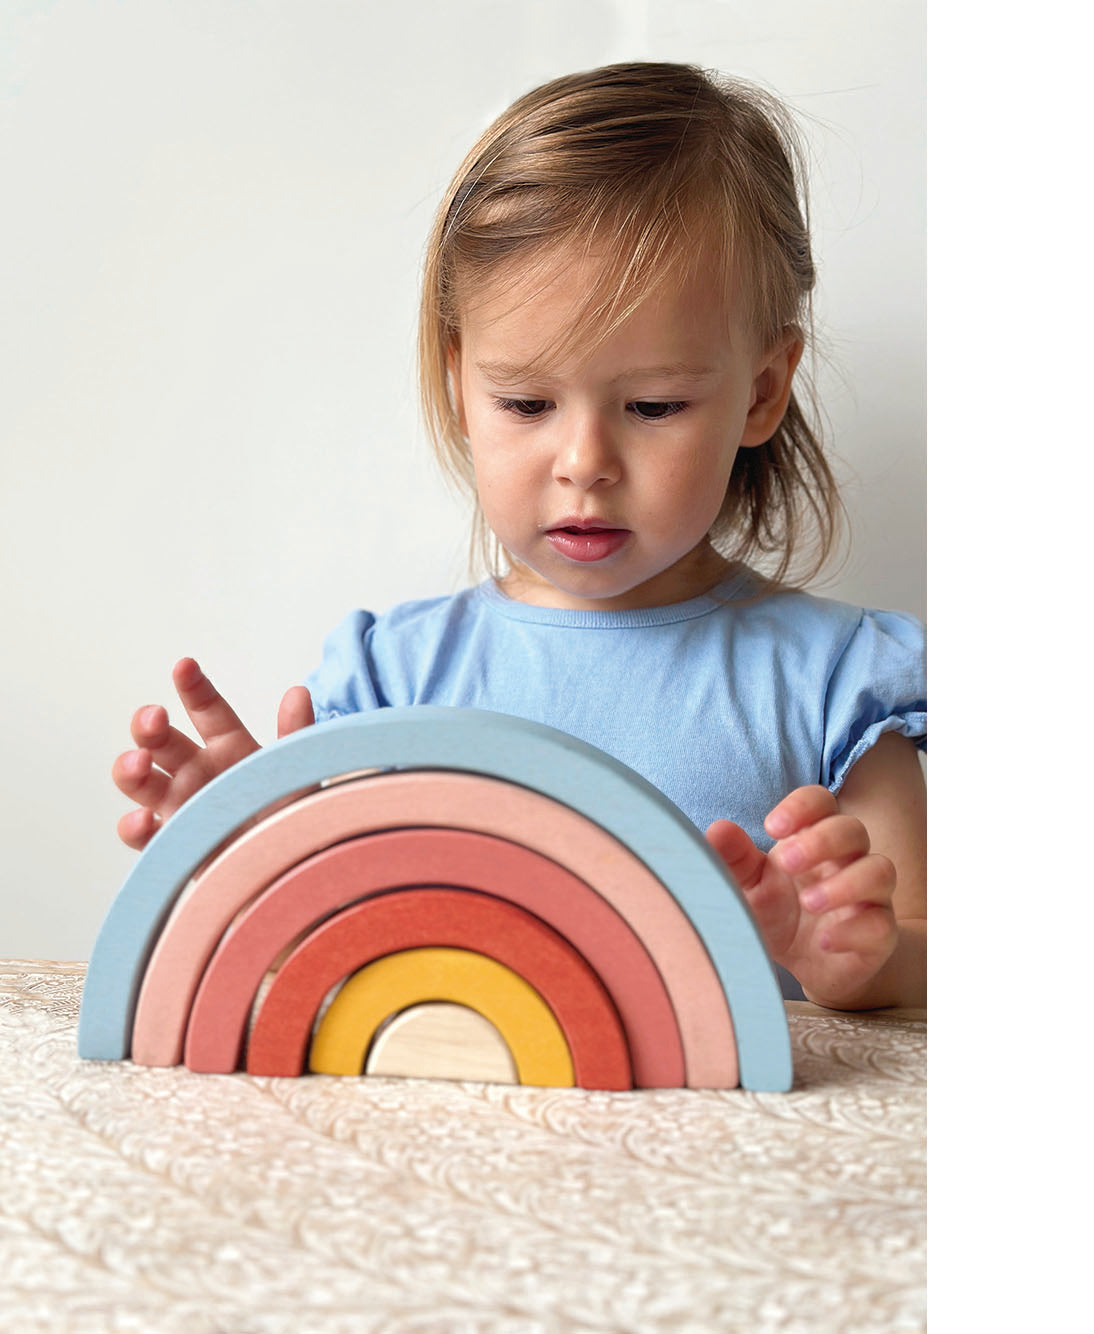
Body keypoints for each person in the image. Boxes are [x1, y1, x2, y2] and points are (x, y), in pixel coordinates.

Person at [110, 62, 926, 1012]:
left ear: (760, 392)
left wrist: (856, 959)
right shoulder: (391, 681)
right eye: (527, 402)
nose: (584, 460)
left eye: (654, 405)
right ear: (463, 387)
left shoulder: (839, 685)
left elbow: (926, 946)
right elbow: (338, 966)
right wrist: (257, 850)